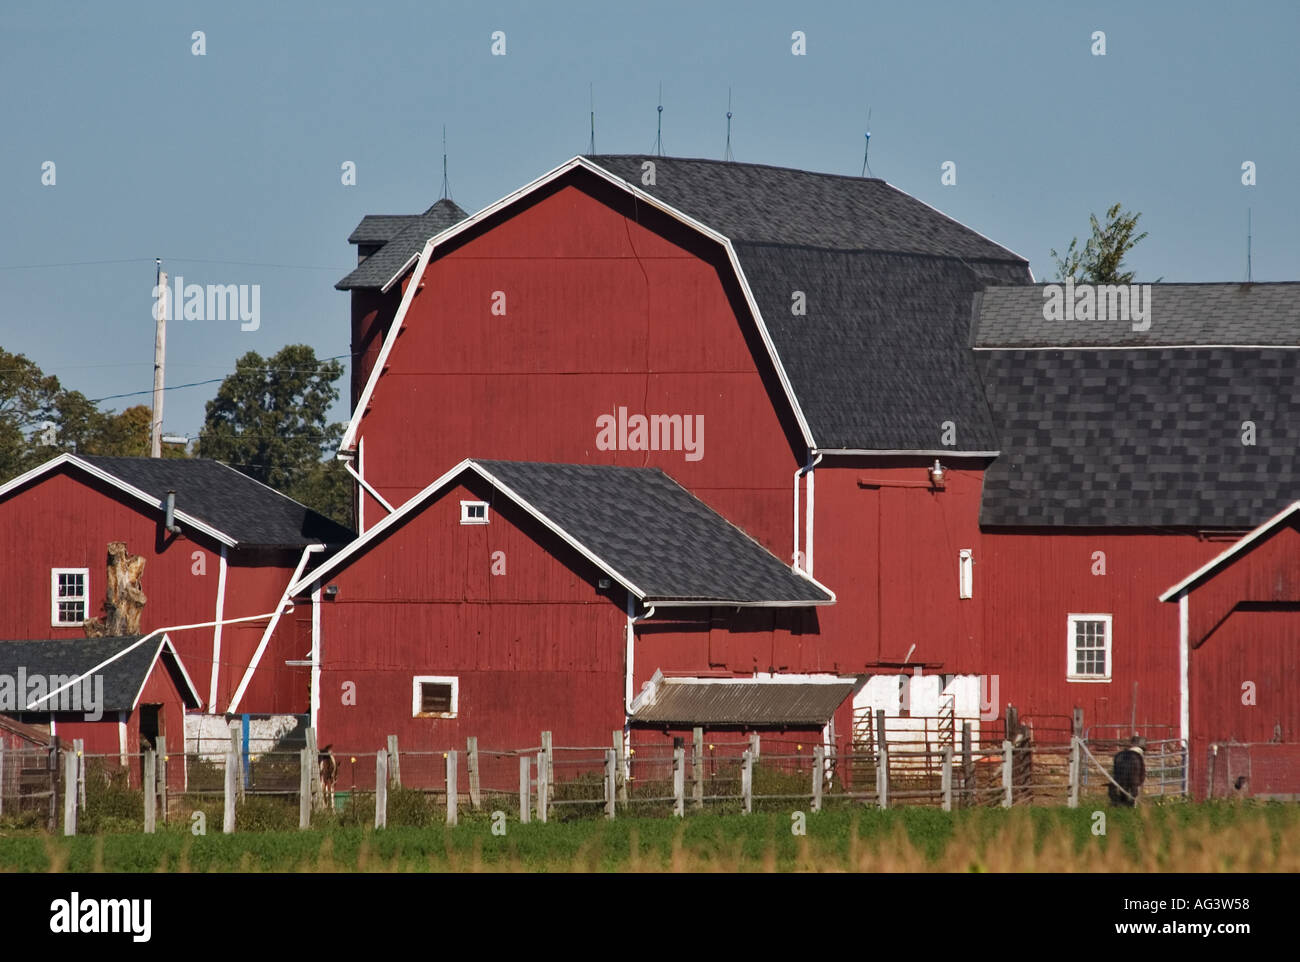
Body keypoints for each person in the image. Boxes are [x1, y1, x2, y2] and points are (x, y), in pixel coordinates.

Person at [1108, 735, 1146, 807]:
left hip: (1121, 778)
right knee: (1133, 782)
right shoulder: (1138, 757)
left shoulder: (1119, 755)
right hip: (1133, 783)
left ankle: (1120, 802)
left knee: (1122, 782)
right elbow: (1141, 775)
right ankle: (1131, 803)